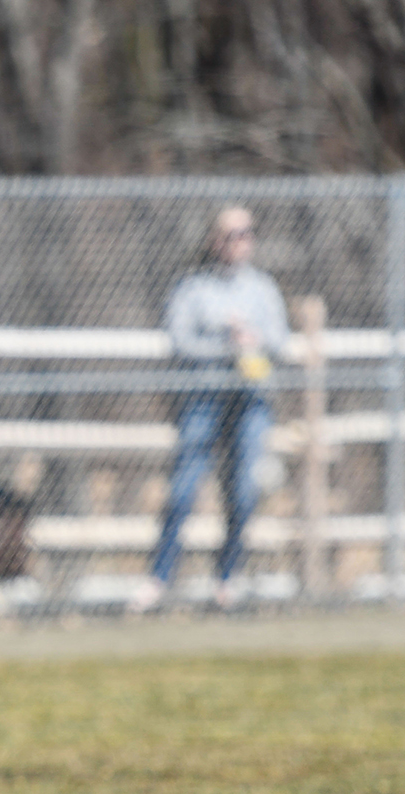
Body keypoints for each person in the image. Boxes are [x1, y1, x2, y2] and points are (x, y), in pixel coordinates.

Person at [130, 206, 289, 612]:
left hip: (250, 400)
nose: (240, 242)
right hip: (204, 399)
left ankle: (226, 580)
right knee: (183, 490)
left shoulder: (263, 288)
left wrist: (252, 340)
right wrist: (224, 343)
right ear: (214, 240)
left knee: (243, 492)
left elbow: (279, 341)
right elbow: (180, 342)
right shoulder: (194, 288)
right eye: (231, 235)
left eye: (247, 233)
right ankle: (158, 579)